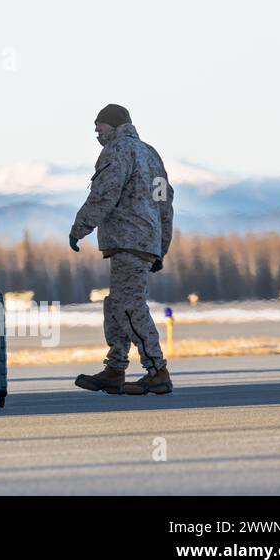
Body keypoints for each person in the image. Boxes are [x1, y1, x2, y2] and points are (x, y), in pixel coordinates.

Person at [69, 104, 175, 396]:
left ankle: (157, 370)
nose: (96, 131)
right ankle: (115, 369)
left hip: (128, 241)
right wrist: (161, 246)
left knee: (129, 305)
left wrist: (80, 227)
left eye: (99, 125)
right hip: (145, 242)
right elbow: (164, 203)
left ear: (114, 126)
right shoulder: (151, 155)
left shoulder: (117, 151)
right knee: (118, 304)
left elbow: (105, 193)